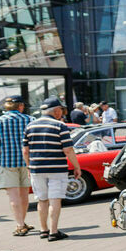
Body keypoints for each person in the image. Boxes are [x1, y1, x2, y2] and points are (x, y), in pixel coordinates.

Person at [22, 97, 78, 241]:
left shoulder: (30, 126)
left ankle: (43, 230)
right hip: (57, 169)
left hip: (36, 169)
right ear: (57, 110)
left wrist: (29, 167)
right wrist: (77, 167)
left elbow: (25, 151)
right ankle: (53, 232)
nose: (61, 113)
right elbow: (68, 150)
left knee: (42, 200)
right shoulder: (60, 126)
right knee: (55, 200)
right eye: (61, 110)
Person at [0, 97, 34, 236]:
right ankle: (22, 222)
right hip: (27, 163)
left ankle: (20, 225)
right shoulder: (29, 119)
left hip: (7, 163)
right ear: (20, 106)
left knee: (13, 196)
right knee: (24, 195)